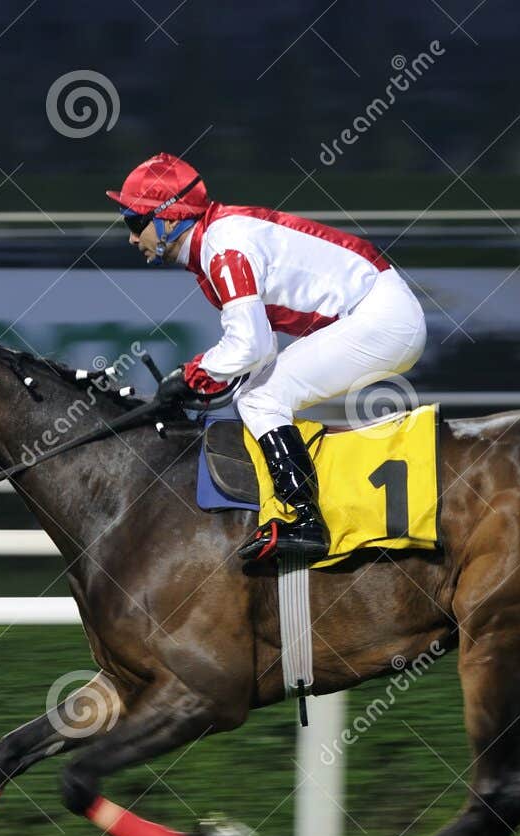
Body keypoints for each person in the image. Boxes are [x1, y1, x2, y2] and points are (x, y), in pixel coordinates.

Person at [107, 153, 427, 562]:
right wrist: (204, 381)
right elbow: (260, 348)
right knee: (258, 391)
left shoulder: (224, 250)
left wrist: (189, 377)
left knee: (260, 399)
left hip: (381, 317)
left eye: (136, 223)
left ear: (170, 219)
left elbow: (251, 345)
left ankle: (306, 520)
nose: (132, 238)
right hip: (378, 308)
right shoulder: (219, 239)